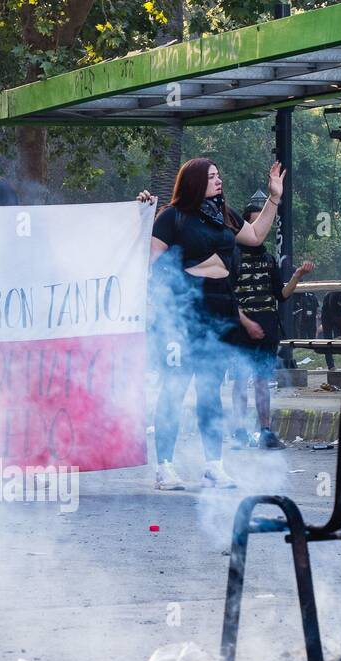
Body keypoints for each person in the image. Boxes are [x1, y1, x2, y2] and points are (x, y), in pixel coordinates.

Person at [139, 157, 287, 490]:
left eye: (219, 175)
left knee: (209, 390)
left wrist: (274, 197)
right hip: (183, 311)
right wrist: (141, 216)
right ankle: (164, 466)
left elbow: (256, 235)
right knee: (174, 388)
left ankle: (213, 465)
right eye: (211, 176)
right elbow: (150, 262)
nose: (218, 180)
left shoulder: (225, 216)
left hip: (220, 307)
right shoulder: (172, 218)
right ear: (193, 182)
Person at [230, 202, 314, 449]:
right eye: (256, 223)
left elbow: (282, 294)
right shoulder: (232, 256)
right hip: (240, 331)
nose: (262, 228)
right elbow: (228, 297)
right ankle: (239, 430)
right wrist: (246, 323)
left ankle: (265, 431)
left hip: (267, 330)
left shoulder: (268, 260)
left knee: (262, 381)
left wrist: (297, 276)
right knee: (240, 379)